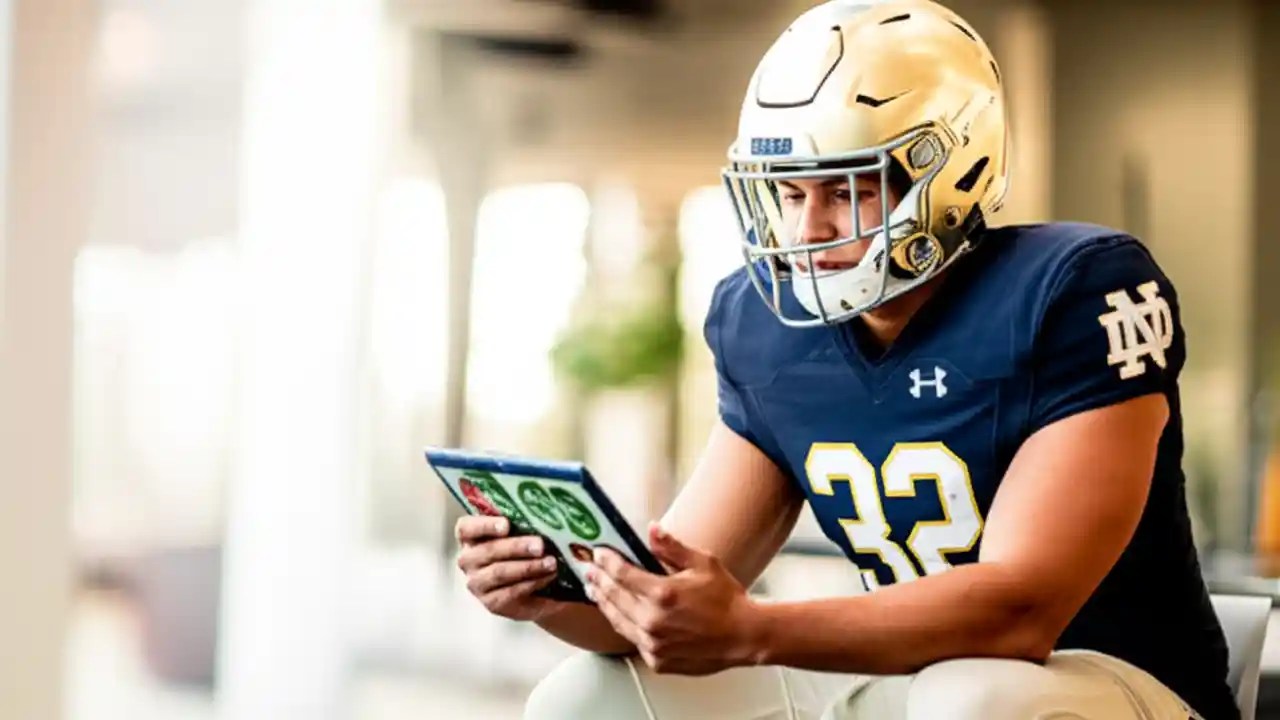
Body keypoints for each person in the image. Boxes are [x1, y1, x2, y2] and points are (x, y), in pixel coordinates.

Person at [452, 0, 1238, 717]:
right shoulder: (762, 327)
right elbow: (674, 606)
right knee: (585, 699)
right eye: (790, 194)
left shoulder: (1072, 289)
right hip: (912, 677)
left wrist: (753, 628)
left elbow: (1020, 612)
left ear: (946, 173)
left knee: (971, 698)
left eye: (846, 191)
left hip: (1117, 681)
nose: (805, 231)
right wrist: (552, 593)